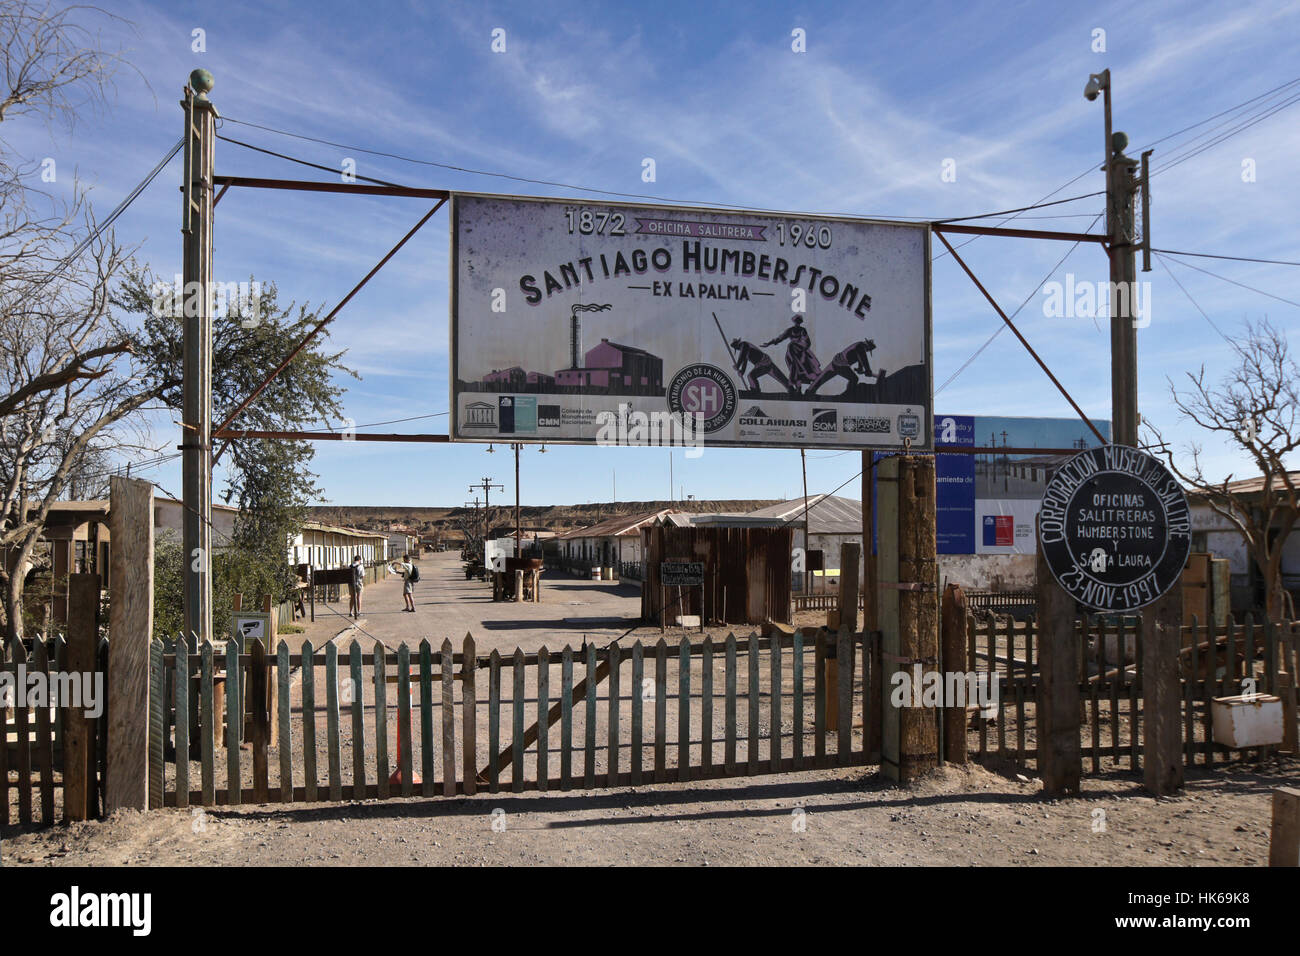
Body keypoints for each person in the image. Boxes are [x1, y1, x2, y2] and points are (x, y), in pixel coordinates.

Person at [762, 315, 822, 392]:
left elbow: (808, 343)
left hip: (801, 351)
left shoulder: (803, 330)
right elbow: (780, 338)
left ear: (800, 322)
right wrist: (769, 343)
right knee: (794, 369)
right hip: (792, 354)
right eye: (796, 321)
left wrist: (803, 353)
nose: (797, 323)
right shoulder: (790, 330)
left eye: (798, 322)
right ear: (794, 322)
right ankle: (798, 388)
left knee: (804, 369)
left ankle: (803, 387)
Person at [805, 338, 877, 396]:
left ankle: (809, 392)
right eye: (869, 349)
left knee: (821, 378)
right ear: (868, 346)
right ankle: (847, 396)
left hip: (836, 363)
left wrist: (860, 369)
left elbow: (861, 361)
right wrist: (868, 370)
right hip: (841, 365)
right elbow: (864, 359)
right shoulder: (861, 346)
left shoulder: (859, 347)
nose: (868, 351)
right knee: (854, 379)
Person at [730, 337, 794, 393]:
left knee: (751, 376)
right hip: (763, 364)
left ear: (737, 344)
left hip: (764, 363)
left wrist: (737, 365)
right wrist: (742, 371)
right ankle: (791, 389)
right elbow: (744, 362)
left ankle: (755, 390)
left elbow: (741, 357)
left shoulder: (744, 344)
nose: (736, 349)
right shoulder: (744, 349)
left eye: (735, 346)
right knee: (781, 378)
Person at [347, 554, 365, 619]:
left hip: (351, 584)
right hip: (359, 583)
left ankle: (350, 612)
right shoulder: (361, 566)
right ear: (359, 560)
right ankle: (359, 612)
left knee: (352, 597)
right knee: (359, 597)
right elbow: (362, 575)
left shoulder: (350, 566)